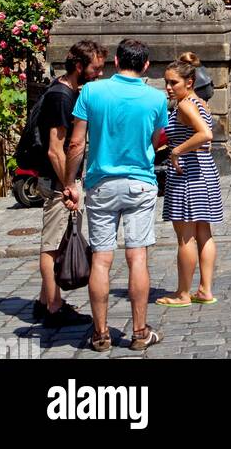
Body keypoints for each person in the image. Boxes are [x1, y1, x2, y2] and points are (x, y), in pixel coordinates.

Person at [63, 38, 169, 353]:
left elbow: (76, 143)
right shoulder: (156, 98)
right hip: (139, 183)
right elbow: (158, 138)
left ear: (117, 61)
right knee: (137, 256)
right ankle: (139, 332)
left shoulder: (92, 92)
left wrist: (70, 181)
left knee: (101, 259)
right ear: (146, 65)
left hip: (101, 183)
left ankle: (100, 334)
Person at [32, 40, 107, 328]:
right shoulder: (62, 97)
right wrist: (69, 185)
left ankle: (44, 301)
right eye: (95, 69)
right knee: (52, 246)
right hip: (56, 181)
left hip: (56, 178)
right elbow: (56, 148)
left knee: (58, 240)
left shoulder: (66, 90)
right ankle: (53, 307)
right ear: (79, 67)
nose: (99, 74)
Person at [156, 53, 223, 308]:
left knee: (185, 236)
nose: (169, 88)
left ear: (189, 82)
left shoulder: (185, 105)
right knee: (203, 232)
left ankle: (183, 293)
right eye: (167, 82)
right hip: (204, 170)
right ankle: (205, 289)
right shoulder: (199, 102)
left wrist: (176, 150)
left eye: (173, 82)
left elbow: (205, 134)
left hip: (189, 174)